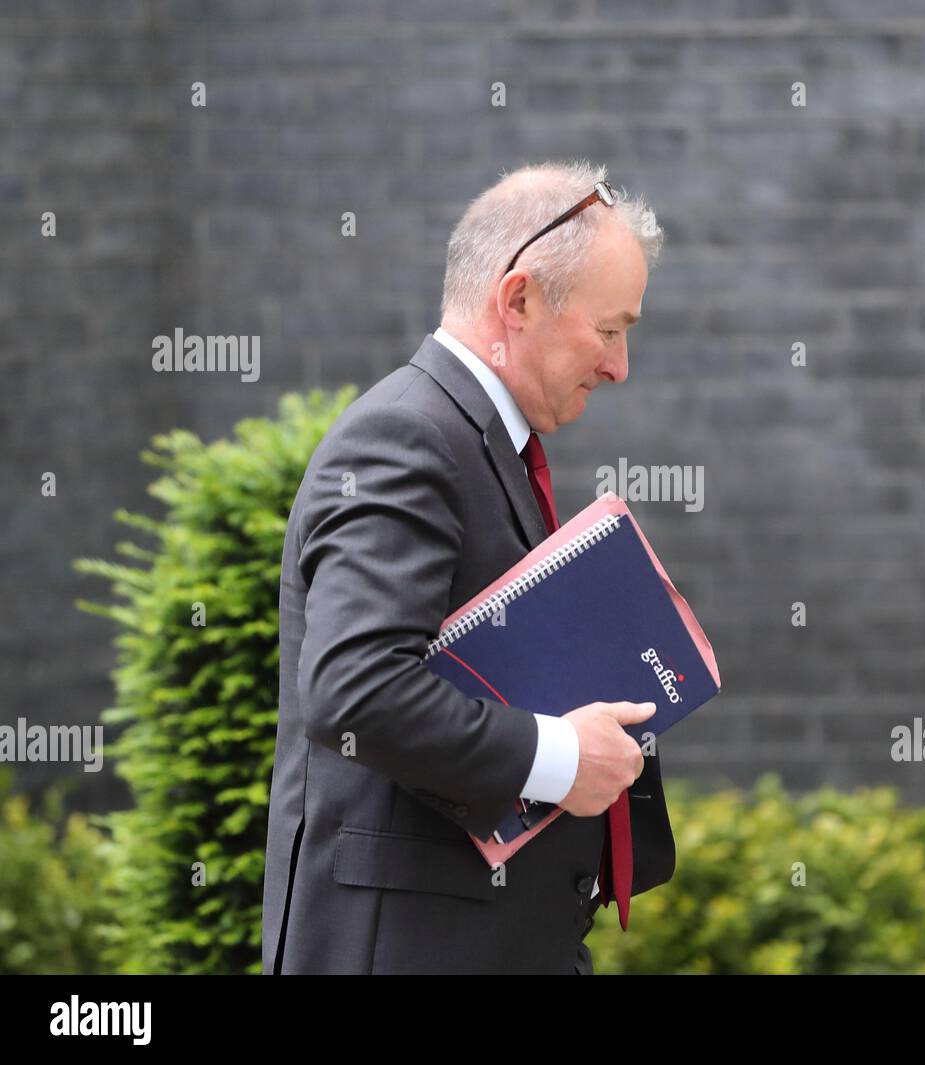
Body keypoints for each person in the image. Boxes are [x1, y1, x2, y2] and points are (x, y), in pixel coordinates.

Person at [261, 159, 675, 974]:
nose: (620, 365)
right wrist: (559, 756)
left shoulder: (475, 441)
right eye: (610, 329)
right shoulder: (408, 437)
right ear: (518, 300)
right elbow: (356, 689)